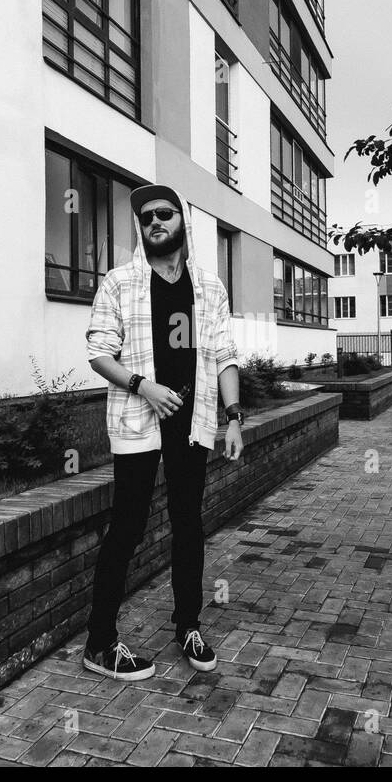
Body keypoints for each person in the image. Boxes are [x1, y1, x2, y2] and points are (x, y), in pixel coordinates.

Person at [83, 184, 245, 680]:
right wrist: (143, 386)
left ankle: (188, 625)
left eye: (165, 214)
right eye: (147, 216)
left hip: (192, 424)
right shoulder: (120, 282)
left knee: (188, 524)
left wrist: (233, 417)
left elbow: (223, 355)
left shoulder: (208, 288)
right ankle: (99, 642)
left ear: (182, 223)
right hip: (138, 422)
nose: (155, 222)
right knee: (127, 527)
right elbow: (99, 352)